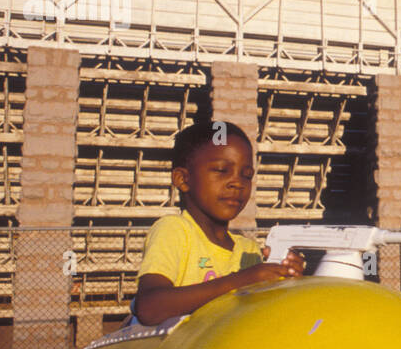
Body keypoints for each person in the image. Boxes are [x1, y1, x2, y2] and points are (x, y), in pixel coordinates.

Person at [130, 120, 304, 325]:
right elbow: (149, 308)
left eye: (246, 175)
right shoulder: (175, 230)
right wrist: (243, 280)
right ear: (183, 179)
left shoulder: (248, 251)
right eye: (222, 170)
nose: (237, 182)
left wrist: (285, 277)